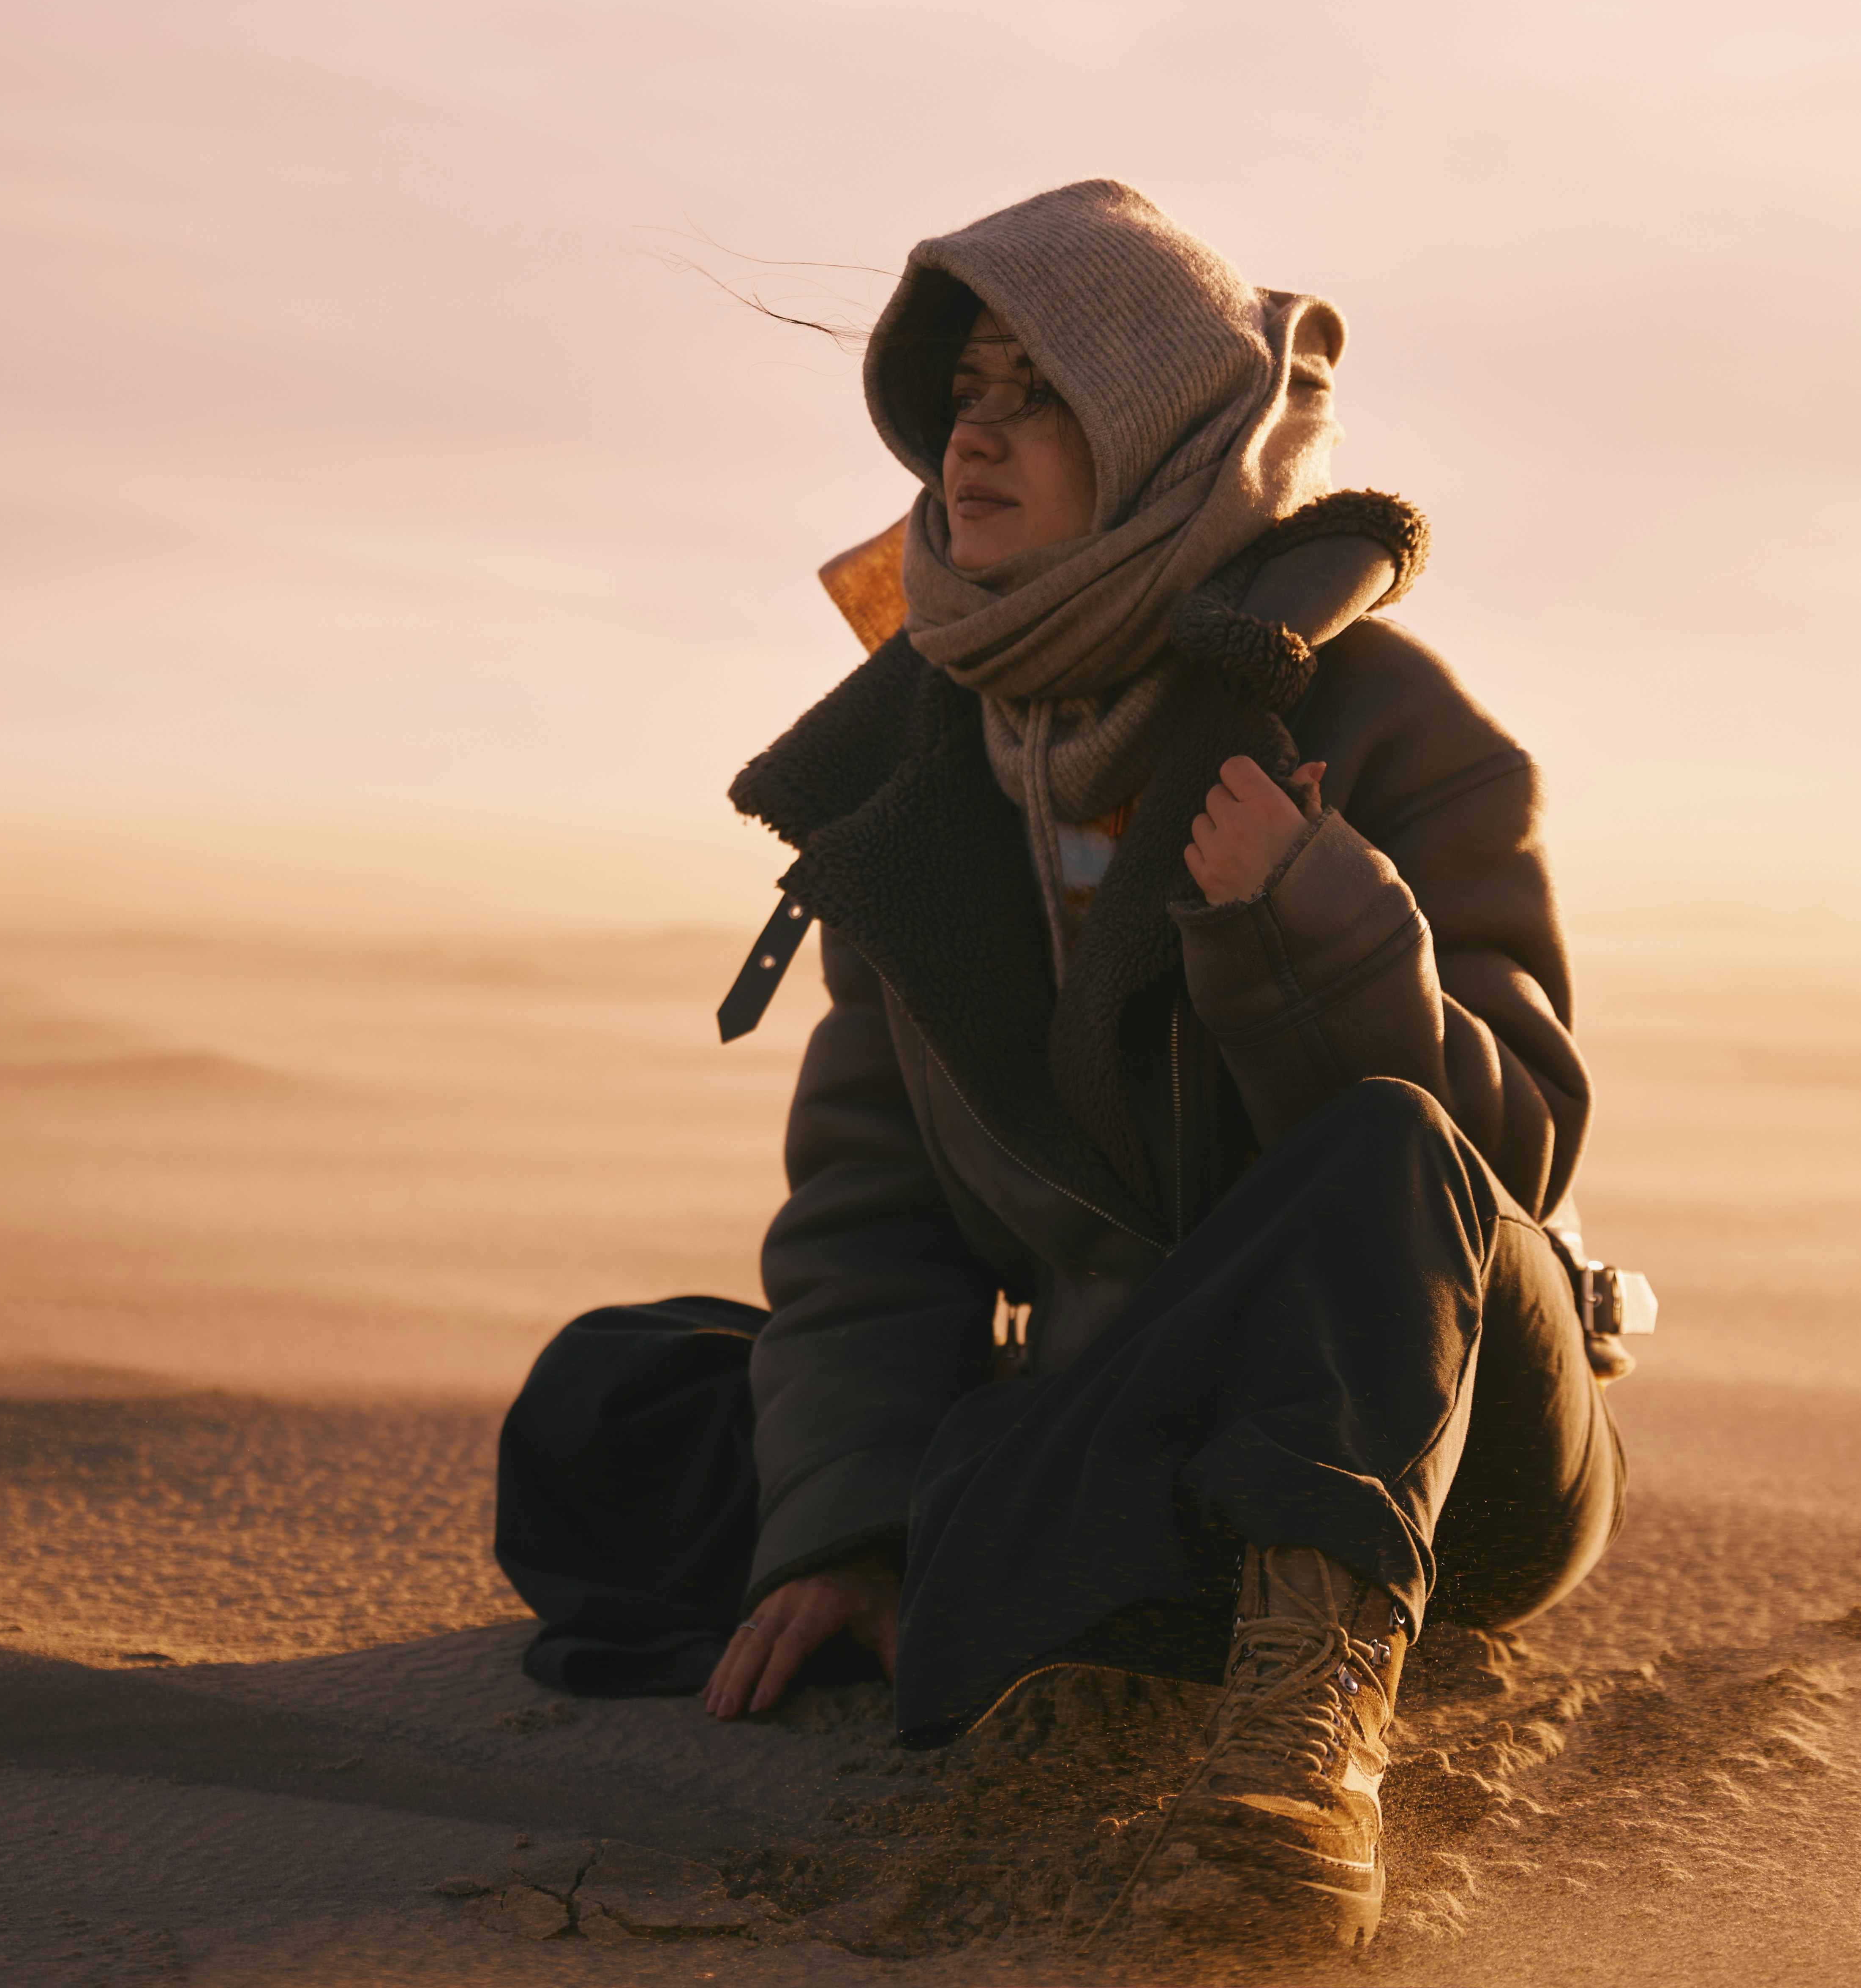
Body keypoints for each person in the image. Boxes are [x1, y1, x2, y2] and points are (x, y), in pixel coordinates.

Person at [494, 179, 1622, 1950]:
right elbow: (872, 1198)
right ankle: (1044, 1581)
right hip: (1139, 1420)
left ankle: (1296, 1751)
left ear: (1164, 440)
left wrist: (1314, 917)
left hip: (1446, 1437)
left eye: (1041, 395)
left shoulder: (1388, 718)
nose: (979, 437)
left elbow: (1516, 1150)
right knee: (616, 1407)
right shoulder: (923, 772)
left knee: (1390, 1149)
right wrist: (844, 1532)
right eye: (964, 394)